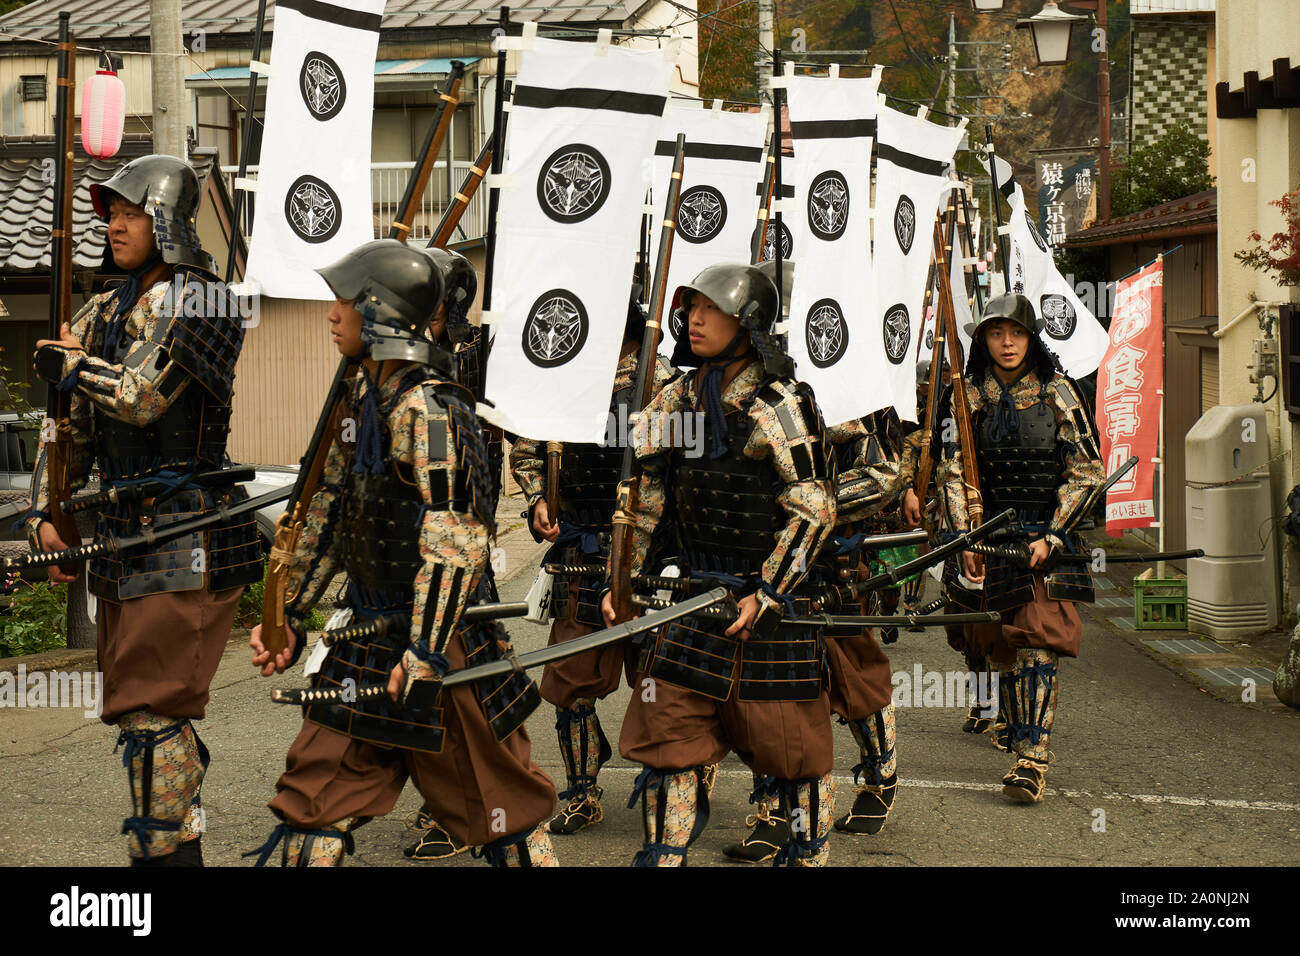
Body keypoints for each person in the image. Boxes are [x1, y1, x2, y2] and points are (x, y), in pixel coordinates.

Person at [248, 239, 558, 866]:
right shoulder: (363, 399)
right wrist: (288, 616)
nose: (332, 314)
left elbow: (455, 544)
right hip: (364, 636)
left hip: (442, 642)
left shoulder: (433, 409)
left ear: (381, 311)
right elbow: (332, 514)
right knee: (313, 801)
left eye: (345, 300)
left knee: (503, 813)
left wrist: (423, 650)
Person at [26, 154, 262, 865]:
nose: (116, 225)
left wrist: (73, 365)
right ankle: (172, 835)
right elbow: (65, 427)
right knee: (140, 716)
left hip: (190, 524)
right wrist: (47, 510)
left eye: (131, 213)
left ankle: (163, 858)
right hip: (124, 534)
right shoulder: (102, 307)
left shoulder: (208, 301)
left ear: (167, 222)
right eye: (111, 213)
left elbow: (142, 394)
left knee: (155, 713)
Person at [600, 263, 838, 866]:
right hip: (688, 601)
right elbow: (643, 498)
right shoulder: (676, 397)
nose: (695, 318)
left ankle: (807, 855)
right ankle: (664, 858)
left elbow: (813, 507)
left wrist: (771, 591)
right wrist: (622, 579)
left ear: (749, 324)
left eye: (711, 308)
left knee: (795, 757)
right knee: (667, 745)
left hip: (765, 611)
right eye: (692, 307)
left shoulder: (779, 403)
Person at [507, 289, 673, 837]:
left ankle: (669, 783)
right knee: (569, 682)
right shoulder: (564, 378)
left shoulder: (667, 384)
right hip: (580, 555)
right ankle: (582, 791)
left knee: (661, 682)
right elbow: (528, 450)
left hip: (650, 557)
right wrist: (538, 499)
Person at [937, 293, 1104, 803]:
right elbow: (953, 471)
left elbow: (1087, 471)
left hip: (1044, 538)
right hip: (988, 538)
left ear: (1031, 338)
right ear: (983, 340)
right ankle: (1009, 724)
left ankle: (1032, 760)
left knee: (1038, 640)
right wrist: (965, 535)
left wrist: (1054, 533)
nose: (1006, 343)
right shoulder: (964, 398)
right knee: (997, 645)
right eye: (995, 333)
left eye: (1016, 333)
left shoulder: (1059, 393)